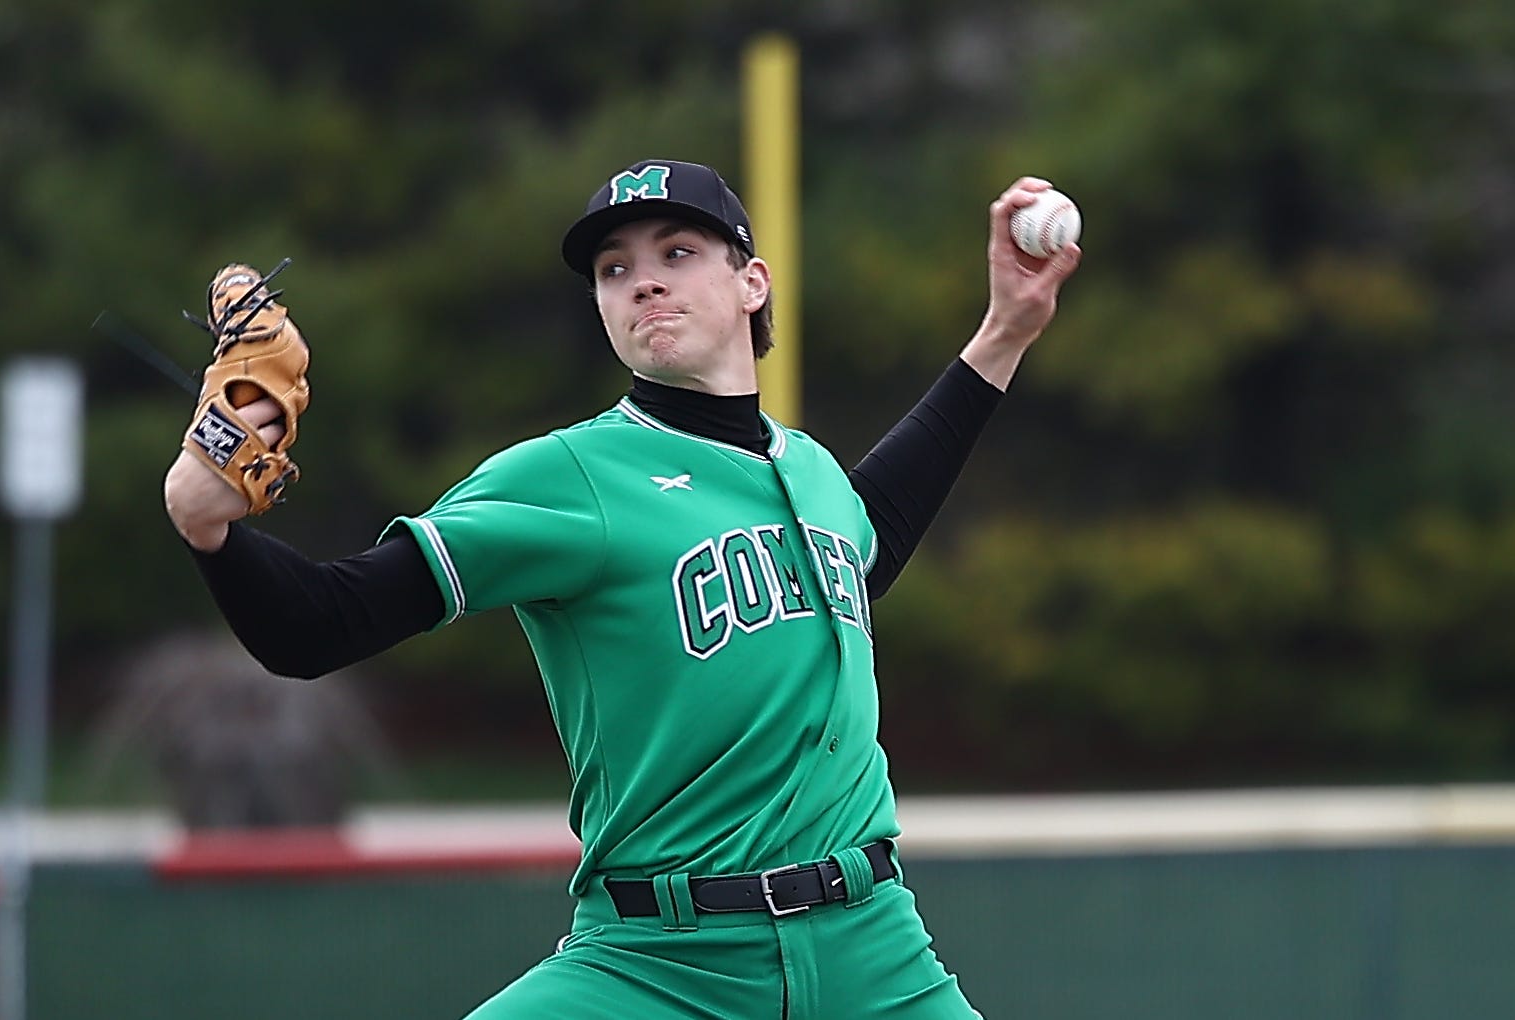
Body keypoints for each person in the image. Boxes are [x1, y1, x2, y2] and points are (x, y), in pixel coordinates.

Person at [164, 158, 1081, 1019]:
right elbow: (319, 626)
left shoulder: (810, 473)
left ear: (750, 282)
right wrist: (209, 528)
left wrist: (1005, 331)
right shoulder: (570, 476)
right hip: (657, 964)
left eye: (676, 254)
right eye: (614, 268)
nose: (642, 280)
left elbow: (872, 532)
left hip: (870, 951)